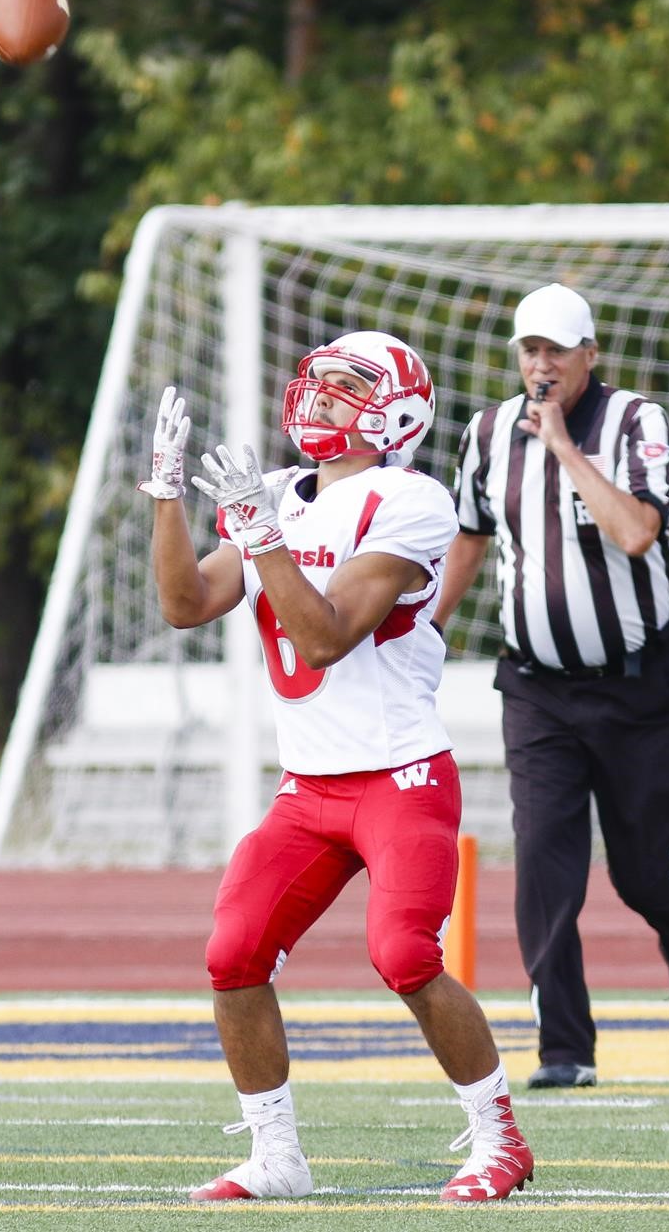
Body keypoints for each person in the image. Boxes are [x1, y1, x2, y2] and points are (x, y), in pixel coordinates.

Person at [139, 330, 534, 1202]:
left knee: (403, 952)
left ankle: (498, 1136)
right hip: (309, 785)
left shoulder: (411, 500)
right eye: (315, 382)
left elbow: (321, 637)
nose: (317, 399)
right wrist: (166, 497)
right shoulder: (278, 492)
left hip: (399, 776)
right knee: (233, 950)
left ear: (393, 414)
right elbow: (185, 602)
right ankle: (276, 1153)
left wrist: (264, 534)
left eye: (344, 386)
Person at [435, 283, 669, 1090]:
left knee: (638, 868)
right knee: (544, 867)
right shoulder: (487, 432)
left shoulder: (636, 422)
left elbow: (636, 531)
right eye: (530, 349)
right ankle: (564, 1047)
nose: (541, 364)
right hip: (538, 689)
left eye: (556, 350)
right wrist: (423, 631)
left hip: (639, 689)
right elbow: (469, 538)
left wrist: (561, 445)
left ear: (589, 356)